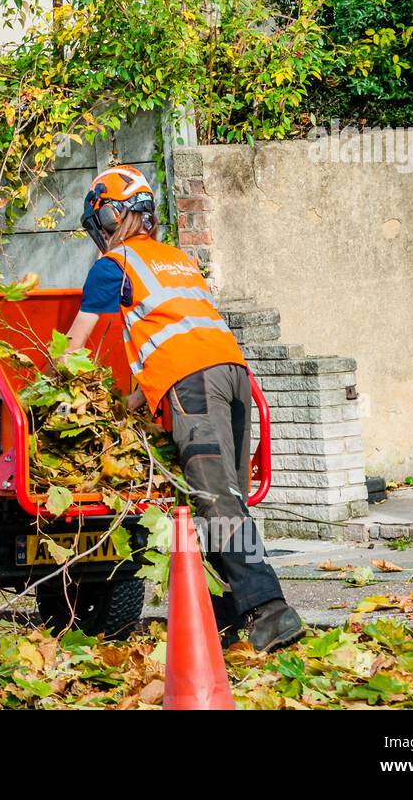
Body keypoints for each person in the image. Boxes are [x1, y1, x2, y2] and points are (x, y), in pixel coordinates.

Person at [62, 167, 304, 653]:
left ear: (111, 215)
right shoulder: (177, 260)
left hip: (193, 384)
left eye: (100, 221)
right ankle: (226, 622)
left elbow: (75, 346)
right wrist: (134, 401)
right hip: (233, 375)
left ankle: (272, 611)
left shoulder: (116, 264)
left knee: (216, 500)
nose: (100, 233)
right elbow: (175, 334)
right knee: (223, 498)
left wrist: (57, 391)